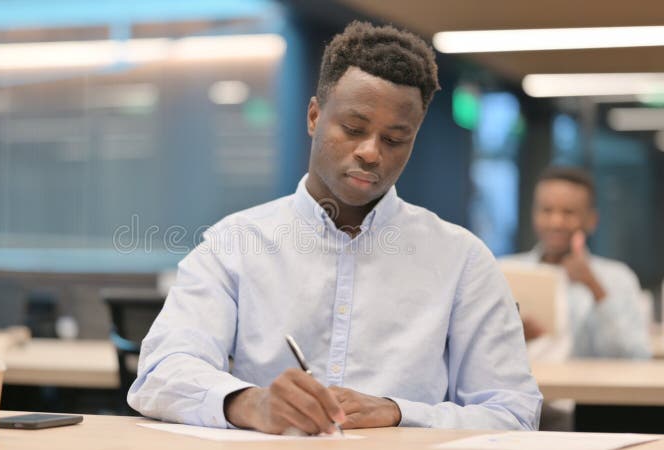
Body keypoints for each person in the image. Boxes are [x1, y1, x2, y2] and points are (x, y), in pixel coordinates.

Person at [128, 21, 542, 433]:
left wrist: (399, 412)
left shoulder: (462, 260)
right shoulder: (234, 244)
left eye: (395, 139)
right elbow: (160, 373)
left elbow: (514, 413)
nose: (370, 153)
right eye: (354, 129)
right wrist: (249, 403)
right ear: (313, 116)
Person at [505, 167, 650, 359]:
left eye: (569, 212)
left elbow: (634, 357)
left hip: (585, 388)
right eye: (546, 210)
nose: (556, 222)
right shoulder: (506, 272)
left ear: (591, 220)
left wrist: (594, 287)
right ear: (534, 214)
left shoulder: (617, 277)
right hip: (523, 387)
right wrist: (511, 339)